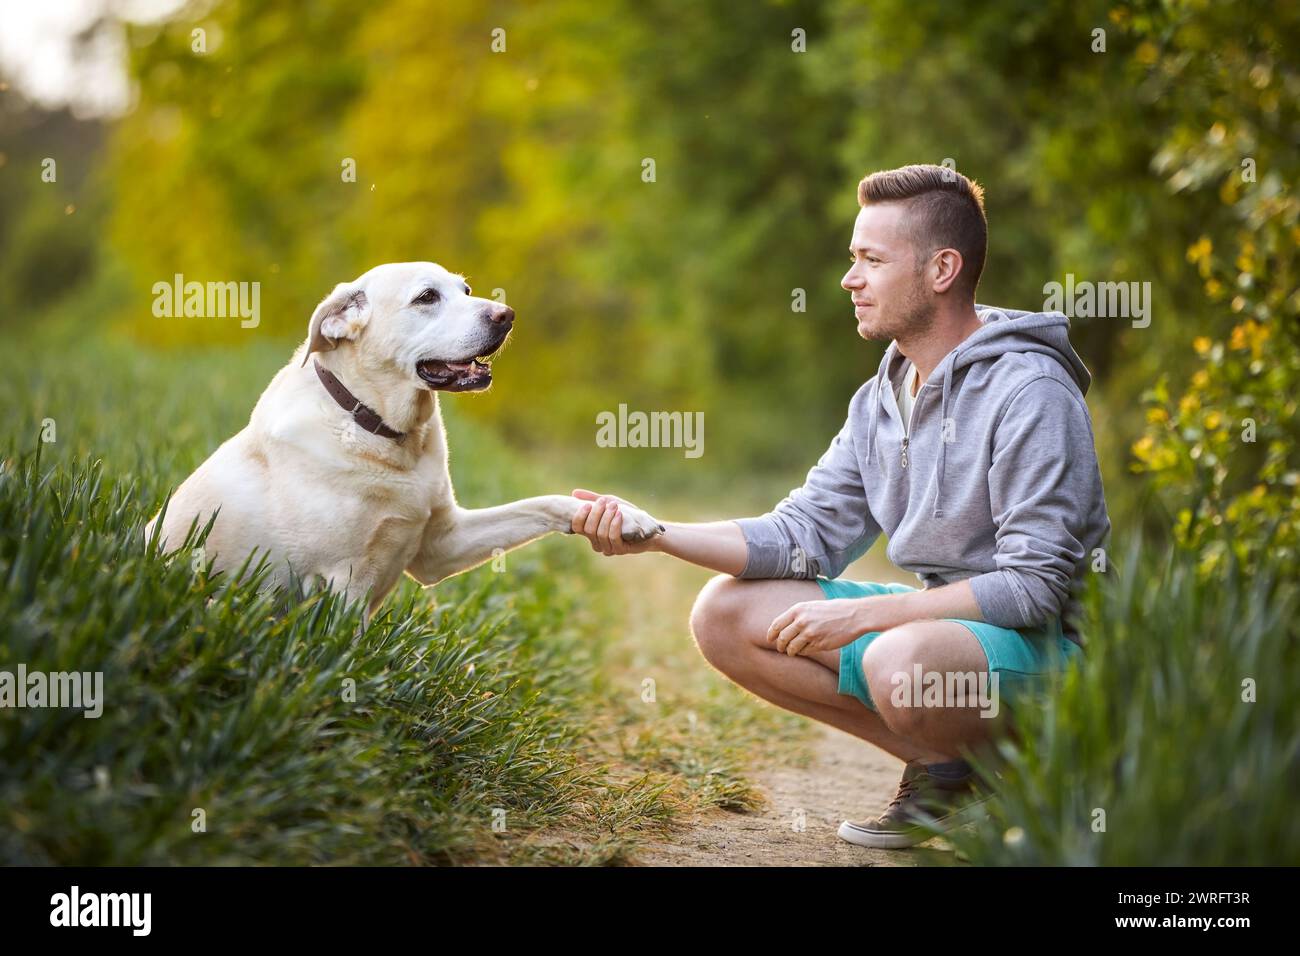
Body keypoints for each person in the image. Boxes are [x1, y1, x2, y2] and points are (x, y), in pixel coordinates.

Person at [570, 163, 1110, 850]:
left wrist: (875, 613)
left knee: (900, 661)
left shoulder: (1030, 392)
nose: (849, 280)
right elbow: (803, 535)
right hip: (949, 640)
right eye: (853, 259)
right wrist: (657, 533)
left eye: (871, 260)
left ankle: (1032, 769)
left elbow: (1035, 588)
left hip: (1059, 657)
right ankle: (955, 775)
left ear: (941, 269)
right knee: (726, 613)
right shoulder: (880, 400)